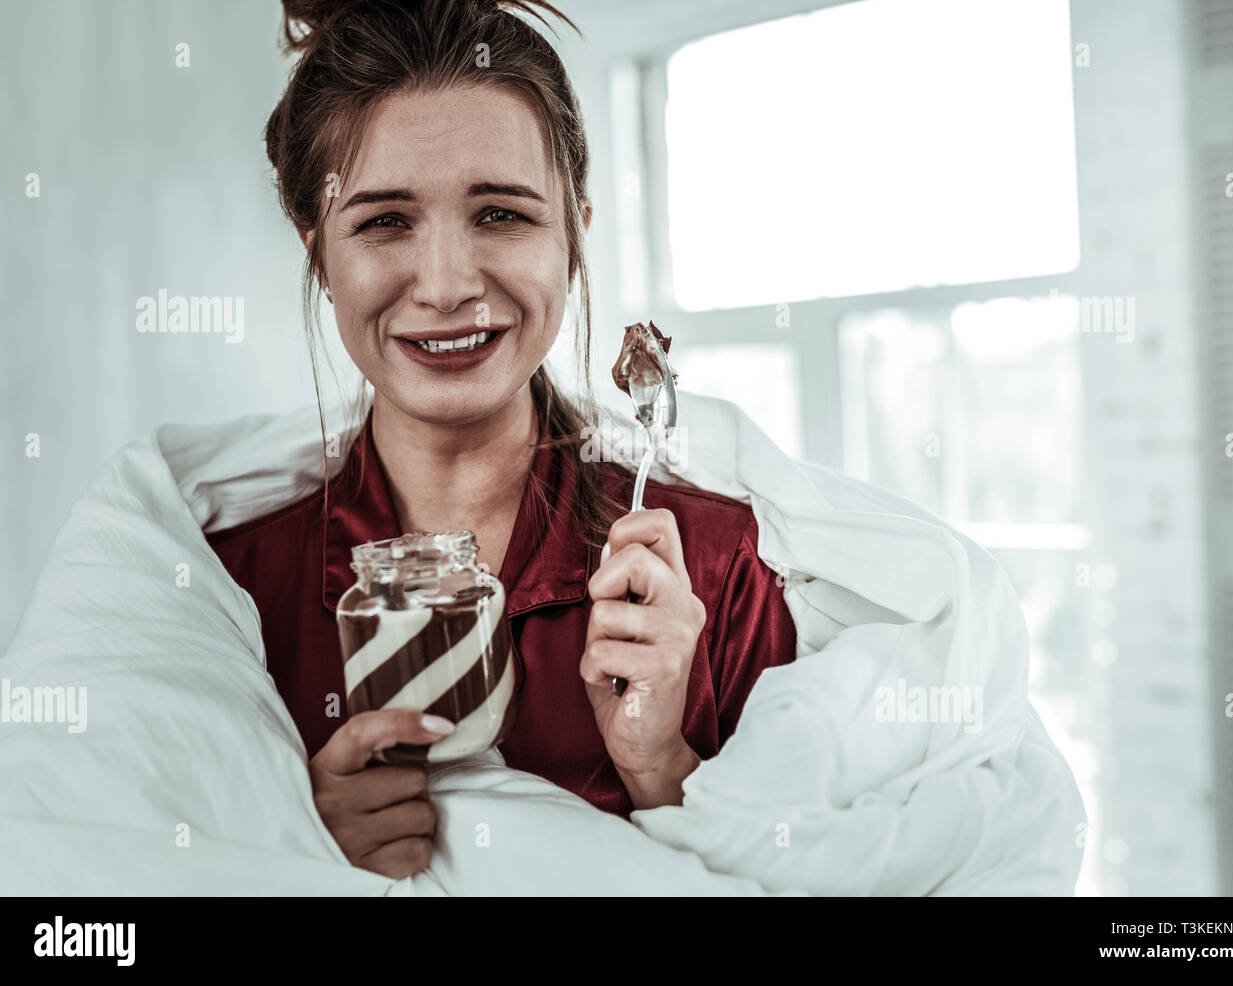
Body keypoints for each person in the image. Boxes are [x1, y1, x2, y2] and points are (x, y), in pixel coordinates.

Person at [206, 0, 798, 881]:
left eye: (500, 215)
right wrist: (288, 849)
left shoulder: (717, 568)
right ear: (318, 254)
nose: (447, 287)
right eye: (383, 222)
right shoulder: (227, 590)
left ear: (574, 238)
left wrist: (661, 769)